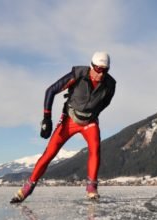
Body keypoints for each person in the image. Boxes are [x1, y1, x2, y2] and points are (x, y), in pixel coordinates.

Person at [10, 51, 116, 203]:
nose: (101, 74)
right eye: (98, 69)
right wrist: (47, 118)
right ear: (91, 66)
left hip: (89, 122)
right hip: (69, 120)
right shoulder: (78, 74)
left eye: (105, 70)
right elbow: (50, 91)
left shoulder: (110, 85)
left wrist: (92, 114)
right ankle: (27, 188)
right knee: (49, 154)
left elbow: (105, 102)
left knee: (95, 149)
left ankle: (92, 188)